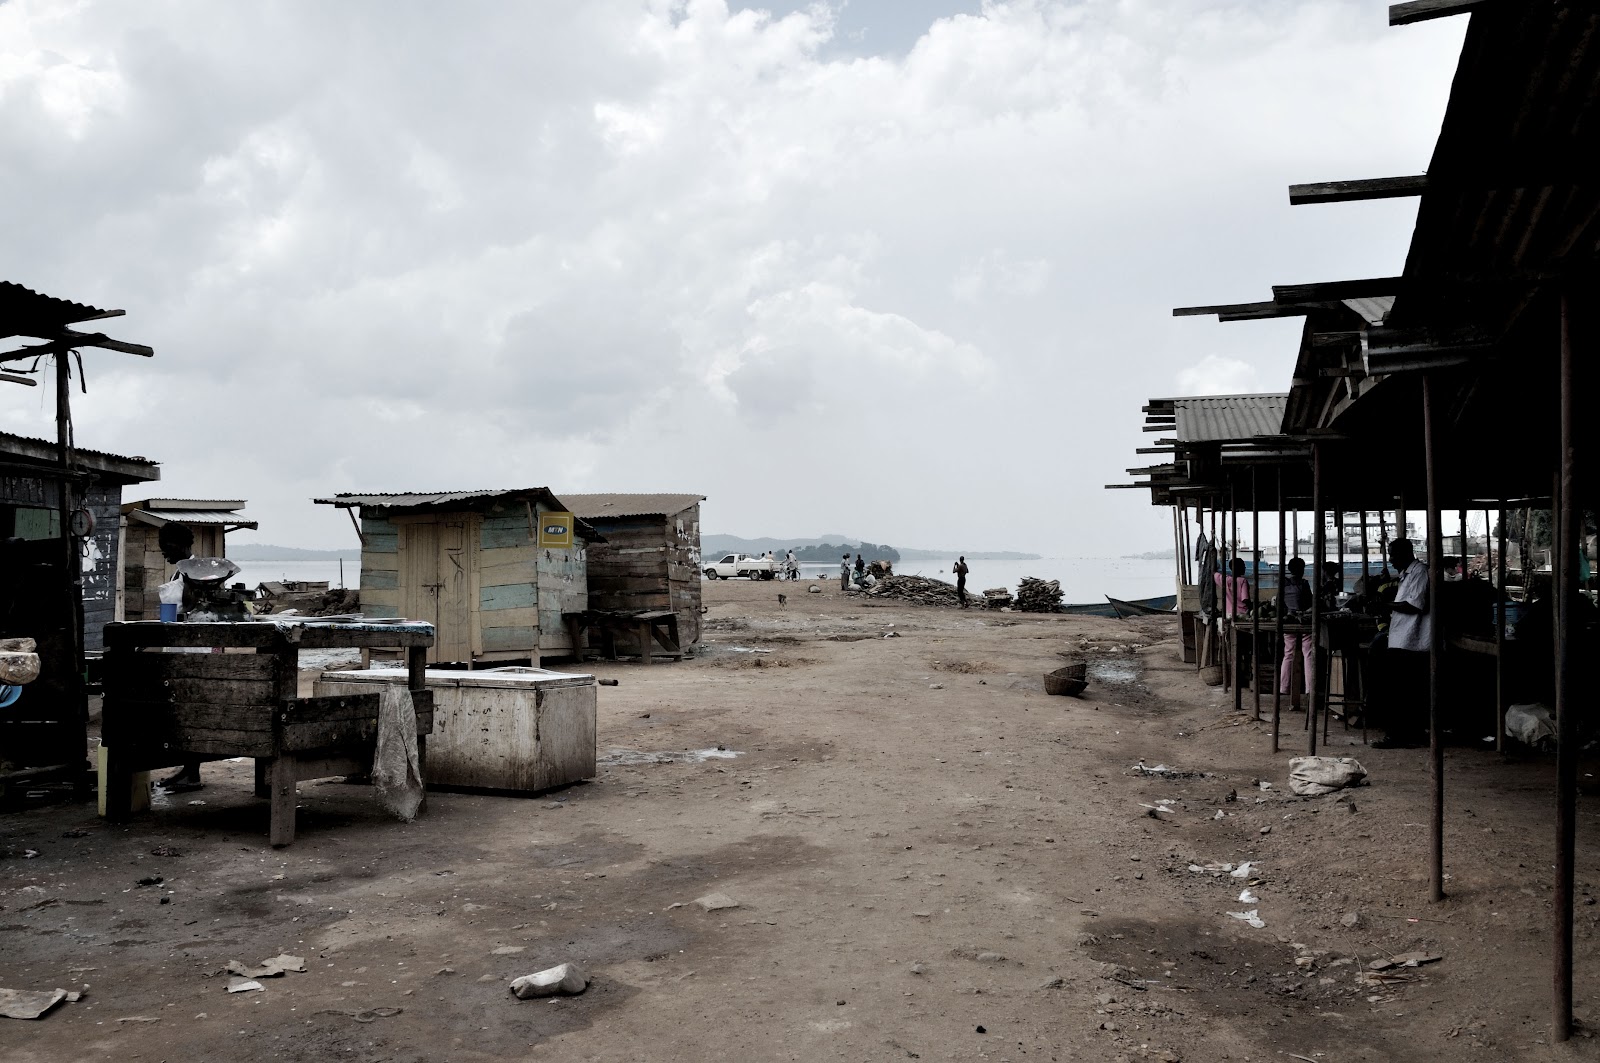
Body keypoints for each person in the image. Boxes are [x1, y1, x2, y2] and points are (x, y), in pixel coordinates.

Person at [1372, 538, 1431, 748]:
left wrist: (1385, 604)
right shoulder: (1406, 575)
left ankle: (1402, 736)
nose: (1391, 560)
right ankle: (1402, 734)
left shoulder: (1420, 572)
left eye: (1393, 555)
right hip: (1401, 639)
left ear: (1406, 553)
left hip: (1413, 641)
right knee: (1400, 690)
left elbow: (1415, 605)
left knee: (1405, 692)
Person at [1278, 557, 1315, 702]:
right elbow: (1309, 602)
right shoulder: (1304, 583)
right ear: (1302, 569)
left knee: (1288, 654)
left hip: (1289, 620)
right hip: (1304, 621)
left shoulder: (1284, 584)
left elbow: (1280, 604)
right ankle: (1309, 688)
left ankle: (1284, 687)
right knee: (1308, 653)